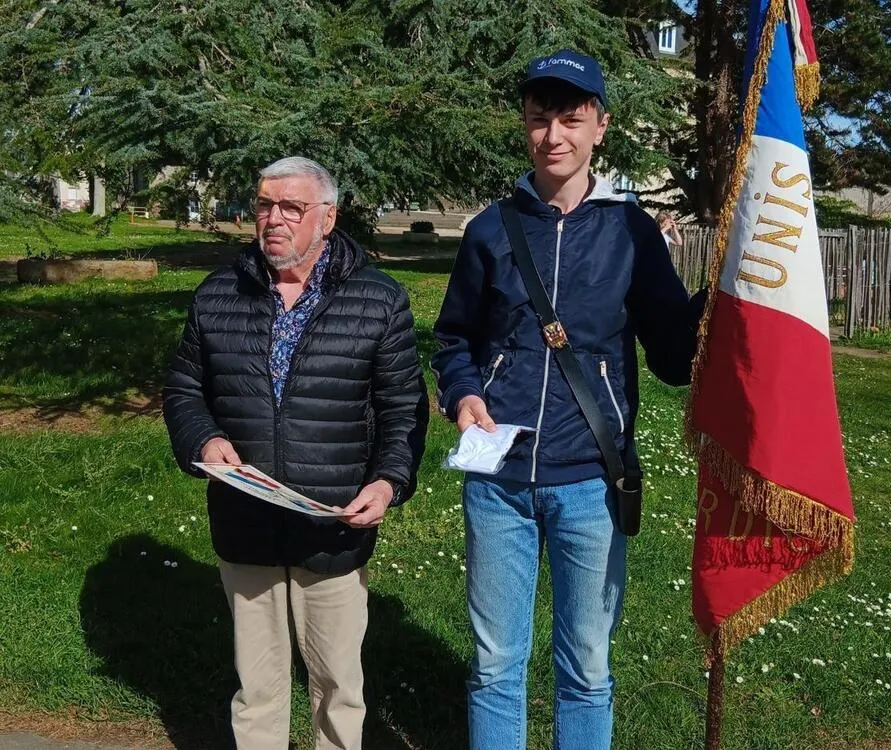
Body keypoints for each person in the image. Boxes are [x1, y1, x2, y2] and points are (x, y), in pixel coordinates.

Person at [431, 50, 705, 750]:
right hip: (499, 482)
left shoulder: (631, 234)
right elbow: (454, 339)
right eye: (539, 118)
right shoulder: (490, 231)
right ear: (524, 126)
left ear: (600, 127)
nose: (554, 134)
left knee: (586, 664)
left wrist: (725, 301)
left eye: (571, 119)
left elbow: (673, 358)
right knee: (495, 665)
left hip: (591, 479)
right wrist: (463, 397)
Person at [163, 156, 428, 750]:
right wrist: (204, 439)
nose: (273, 219)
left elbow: (402, 407)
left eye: (292, 208)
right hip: (245, 521)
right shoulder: (219, 294)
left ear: (327, 218)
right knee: (256, 687)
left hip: (331, 523)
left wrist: (387, 483)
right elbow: (183, 388)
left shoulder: (377, 299)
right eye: (264, 205)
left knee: (338, 683)